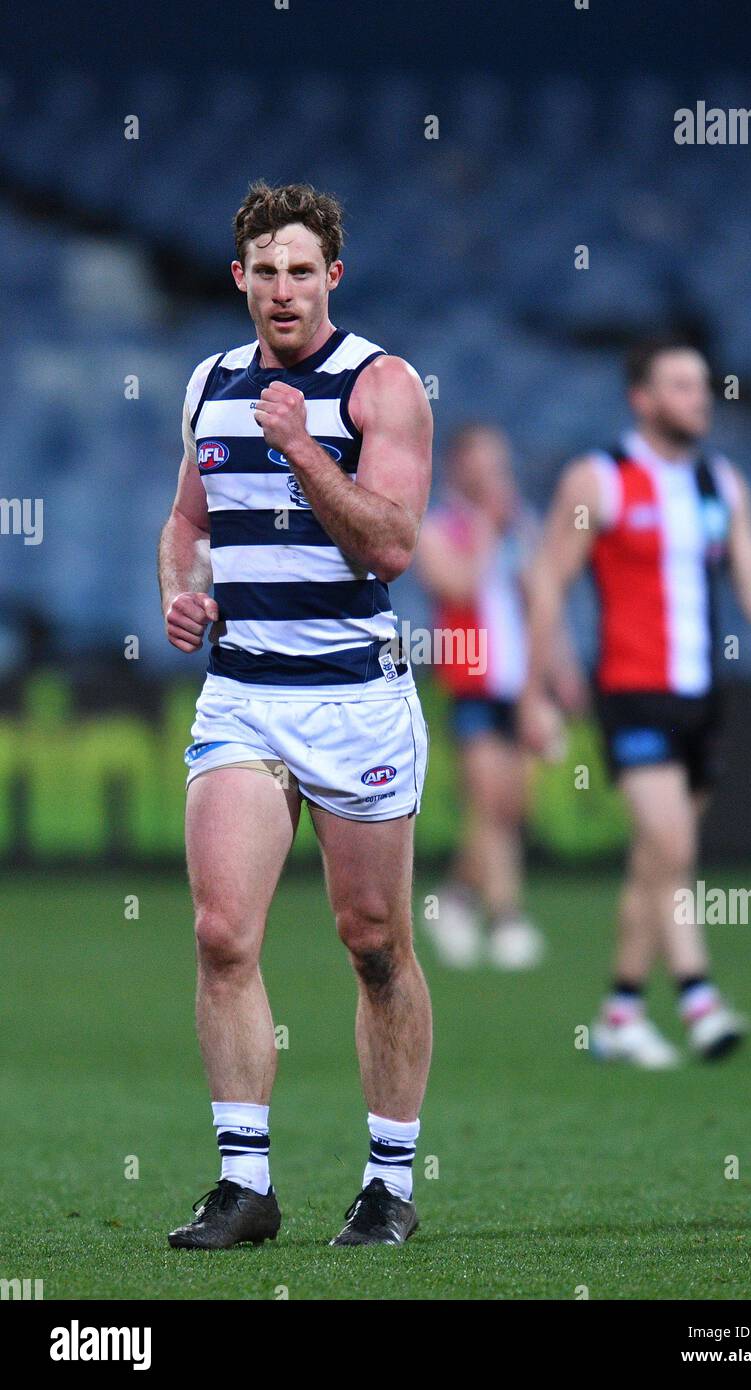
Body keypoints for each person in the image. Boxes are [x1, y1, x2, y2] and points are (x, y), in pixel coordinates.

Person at [157, 181, 433, 1246]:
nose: (282, 290)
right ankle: (244, 1183)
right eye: (263, 272)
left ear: (333, 279)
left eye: (301, 272)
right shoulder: (208, 384)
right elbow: (184, 519)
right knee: (222, 933)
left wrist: (303, 447)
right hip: (243, 698)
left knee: (372, 944)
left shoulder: (382, 384)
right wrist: (179, 587)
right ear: (239, 280)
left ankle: (388, 1183)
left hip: (353, 701)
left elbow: (391, 546)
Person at [520, 338, 751, 1067]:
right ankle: (699, 996)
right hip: (632, 694)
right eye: (682, 386)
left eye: (702, 385)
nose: (701, 398)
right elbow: (546, 580)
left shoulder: (720, 484)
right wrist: (539, 688)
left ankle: (621, 1010)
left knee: (659, 866)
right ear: (643, 399)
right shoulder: (599, 478)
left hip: (702, 699)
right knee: (673, 847)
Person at [416, 424, 579, 969]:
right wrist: (487, 527)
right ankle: (508, 919)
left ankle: (455, 900)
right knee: (488, 801)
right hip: (472, 681)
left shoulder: (521, 525)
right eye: (485, 465)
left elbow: (543, 600)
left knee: (512, 807)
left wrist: (563, 667)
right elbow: (456, 586)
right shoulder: (441, 527)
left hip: (522, 686)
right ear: (462, 469)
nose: (496, 476)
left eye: (500, 464)